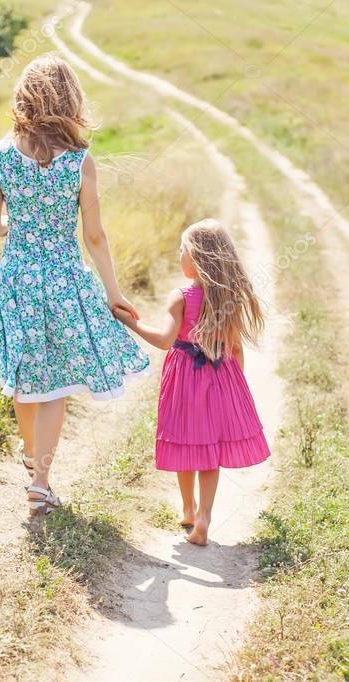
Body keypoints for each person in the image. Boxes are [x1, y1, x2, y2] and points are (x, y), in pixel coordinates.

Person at [0, 54, 149, 516]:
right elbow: (93, 236)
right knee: (53, 385)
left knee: (24, 373)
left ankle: (33, 457)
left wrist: (23, 227)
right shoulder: (79, 162)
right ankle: (40, 481)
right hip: (64, 278)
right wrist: (114, 291)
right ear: (68, 99)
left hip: (16, 276)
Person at [113, 219, 270, 545]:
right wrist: (234, 386)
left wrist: (130, 322)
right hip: (221, 377)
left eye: (182, 249)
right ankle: (202, 517)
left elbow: (164, 340)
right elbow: (236, 349)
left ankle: (187, 507)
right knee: (210, 451)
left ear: (197, 257)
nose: (178, 255)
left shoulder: (180, 296)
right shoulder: (228, 298)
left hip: (185, 378)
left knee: (186, 441)